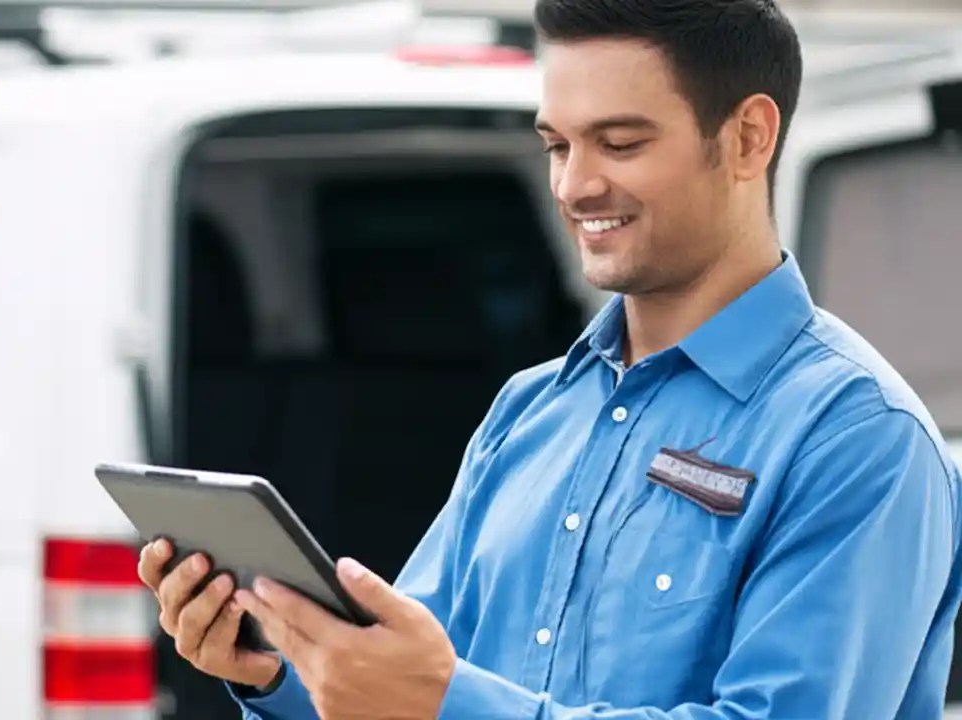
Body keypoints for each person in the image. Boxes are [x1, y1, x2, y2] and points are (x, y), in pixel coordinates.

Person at [137, 0, 962, 717]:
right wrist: (283, 674)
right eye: (558, 146)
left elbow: (431, 698)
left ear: (748, 137)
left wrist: (443, 703)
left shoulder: (859, 442)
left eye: (620, 143)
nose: (573, 186)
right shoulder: (528, 412)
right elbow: (399, 689)